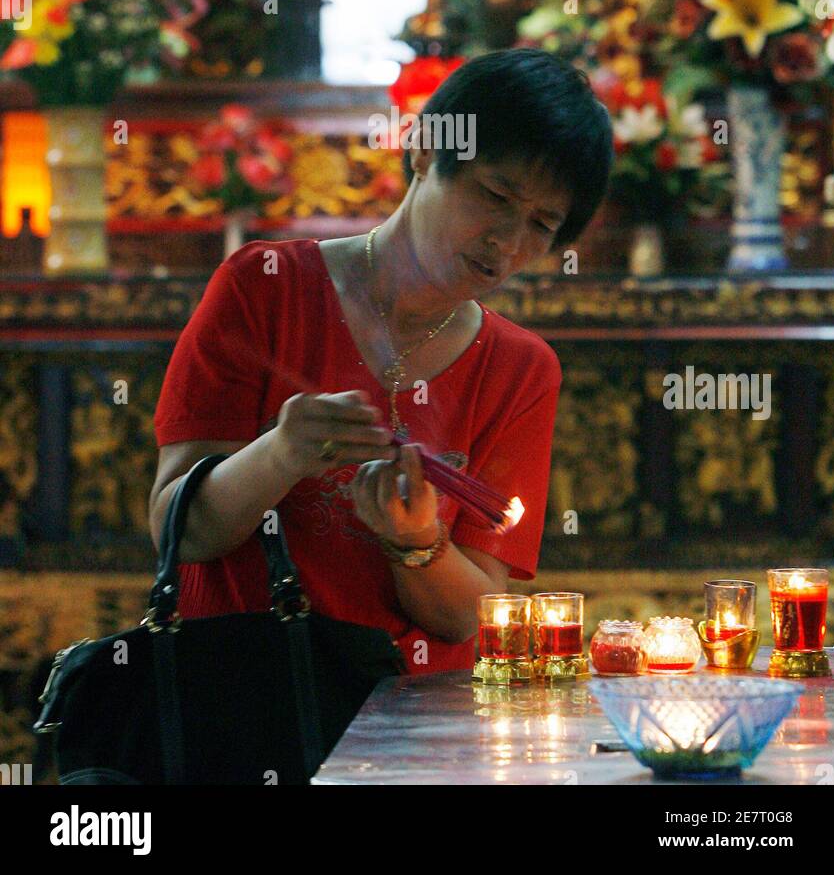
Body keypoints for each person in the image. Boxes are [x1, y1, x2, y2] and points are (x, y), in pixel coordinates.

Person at [150, 48, 613, 678]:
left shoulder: (521, 370)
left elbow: (478, 616)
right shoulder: (264, 286)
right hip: (241, 699)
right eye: (495, 194)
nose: (507, 241)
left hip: (413, 729)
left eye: (541, 223)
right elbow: (179, 530)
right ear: (425, 151)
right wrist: (281, 453)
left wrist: (415, 541)